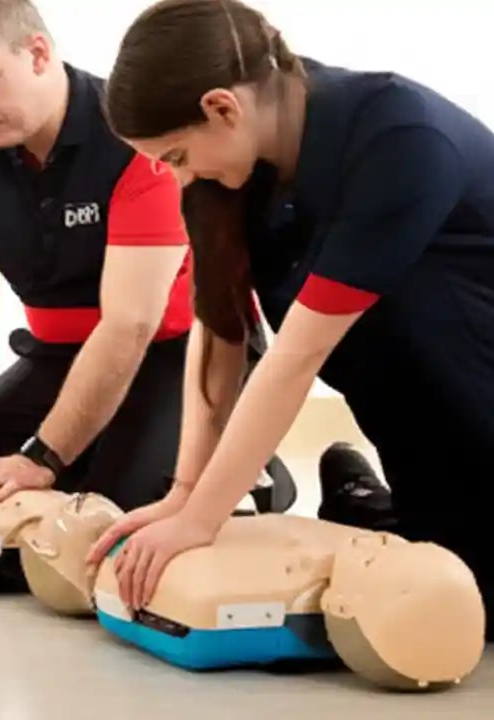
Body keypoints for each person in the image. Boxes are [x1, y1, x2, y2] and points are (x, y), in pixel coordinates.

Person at [88, 0, 494, 642]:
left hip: (470, 387)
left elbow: (294, 358)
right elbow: (220, 331)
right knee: (426, 583)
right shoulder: (236, 171)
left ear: (223, 108)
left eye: (175, 155)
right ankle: (373, 505)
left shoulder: (397, 138)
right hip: (416, 417)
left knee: (465, 607)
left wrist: (202, 522)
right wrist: (186, 493)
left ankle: (366, 506)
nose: (177, 176)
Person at [0, 0, 293, 513]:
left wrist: (44, 458)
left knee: (106, 508)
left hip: (177, 352)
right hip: (59, 355)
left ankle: (254, 466)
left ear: (38, 54)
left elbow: (129, 324)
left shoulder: (136, 138)